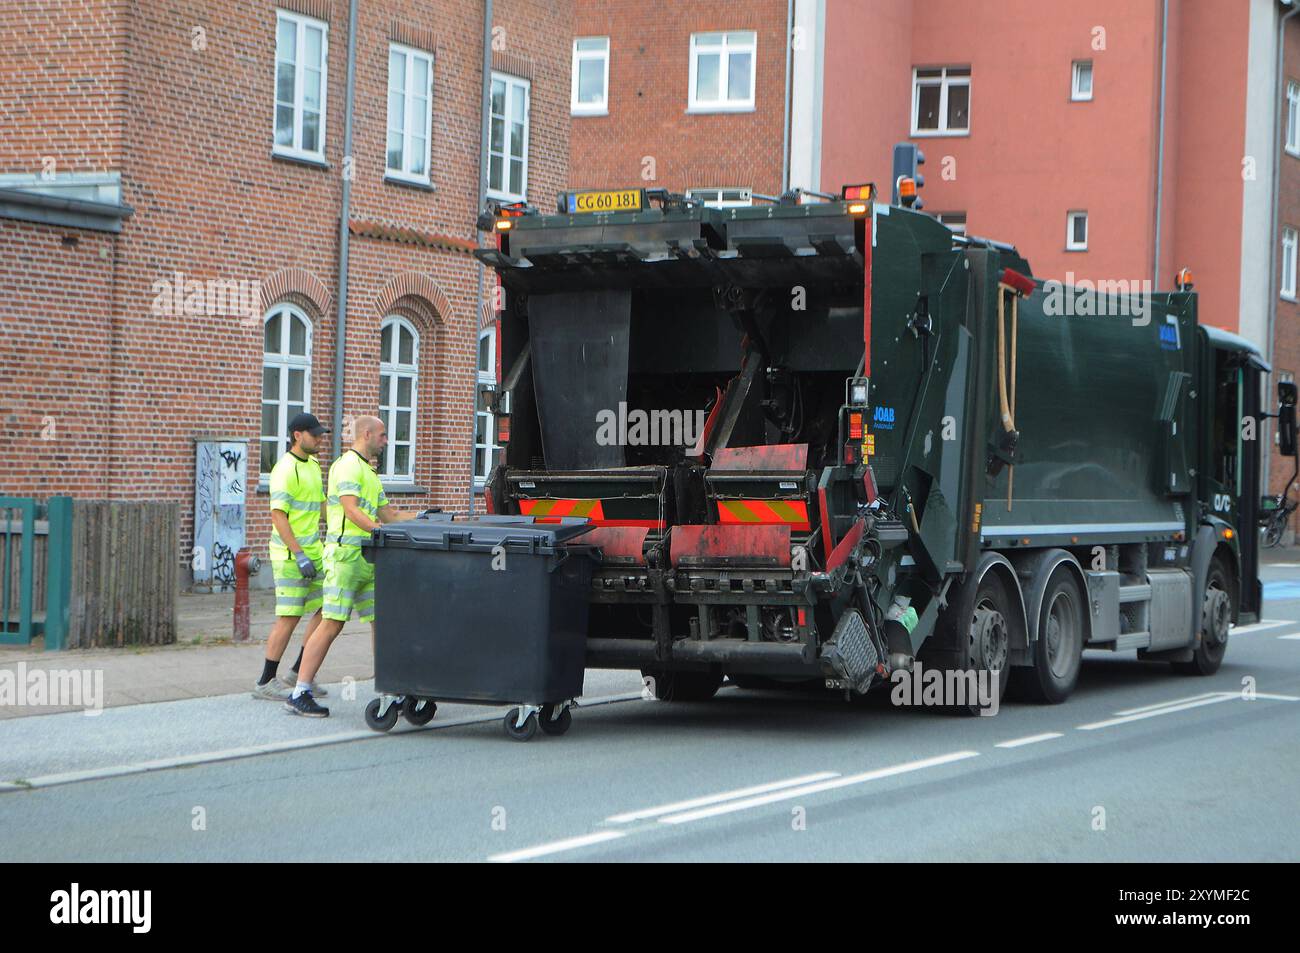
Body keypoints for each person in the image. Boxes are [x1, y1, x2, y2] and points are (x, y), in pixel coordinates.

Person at [285, 415, 418, 716]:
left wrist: (425, 518)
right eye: (383, 435)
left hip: (368, 558)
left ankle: (389, 686)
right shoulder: (346, 466)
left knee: (381, 623)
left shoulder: (369, 473)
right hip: (345, 556)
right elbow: (350, 509)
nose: (386, 441)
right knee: (332, 622)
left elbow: (390, 516)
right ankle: (299, 691)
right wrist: (379, 532)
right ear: (367, 434)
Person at [253, 412, 330, 701]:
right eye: (315, 434)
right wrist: (298, 554)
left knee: (330, 609)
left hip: (315, 552)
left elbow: (322, 505)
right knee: (289, 617)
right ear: (298, 435)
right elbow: (278, 516)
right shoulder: (284, 469)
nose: (320, 438)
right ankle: (265, 681)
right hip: (290, 556)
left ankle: (299, 671)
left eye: (321, 434)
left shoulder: (312, 464)